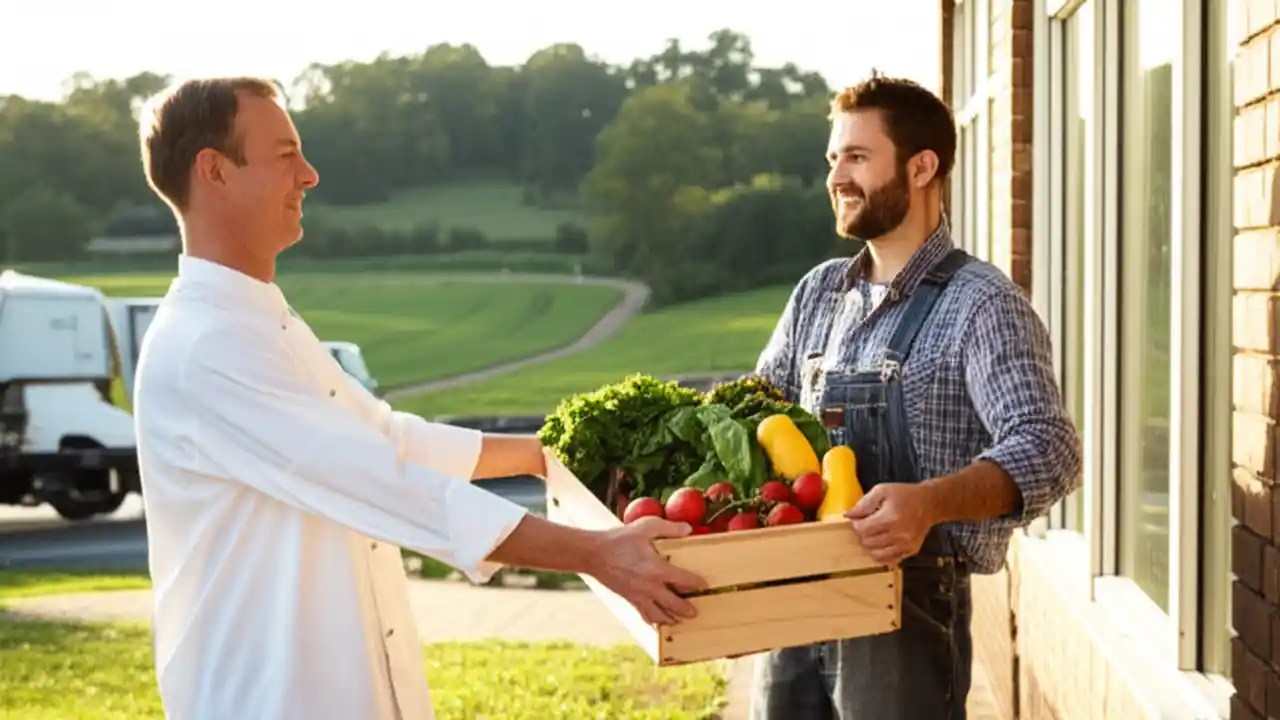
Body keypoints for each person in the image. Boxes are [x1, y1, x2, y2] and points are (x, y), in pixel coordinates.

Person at [131, 76, 705, 720]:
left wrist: (543, 454)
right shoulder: (206, 346)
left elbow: (387, 439)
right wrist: (597, 554)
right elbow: (380, 481)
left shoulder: (258, 320)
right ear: (215, 171)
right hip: (269, 698)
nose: (311, 175)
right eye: (287, 154)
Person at [750, 74, 1081, 719]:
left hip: (906, 612)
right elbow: (758, 413)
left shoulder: (982, 304)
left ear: (922, 167)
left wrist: (928, 503)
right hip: (792, 598)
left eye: (857, 157)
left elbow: (1049, 448)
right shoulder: (819, 294)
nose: (836, 177)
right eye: (833, 158)